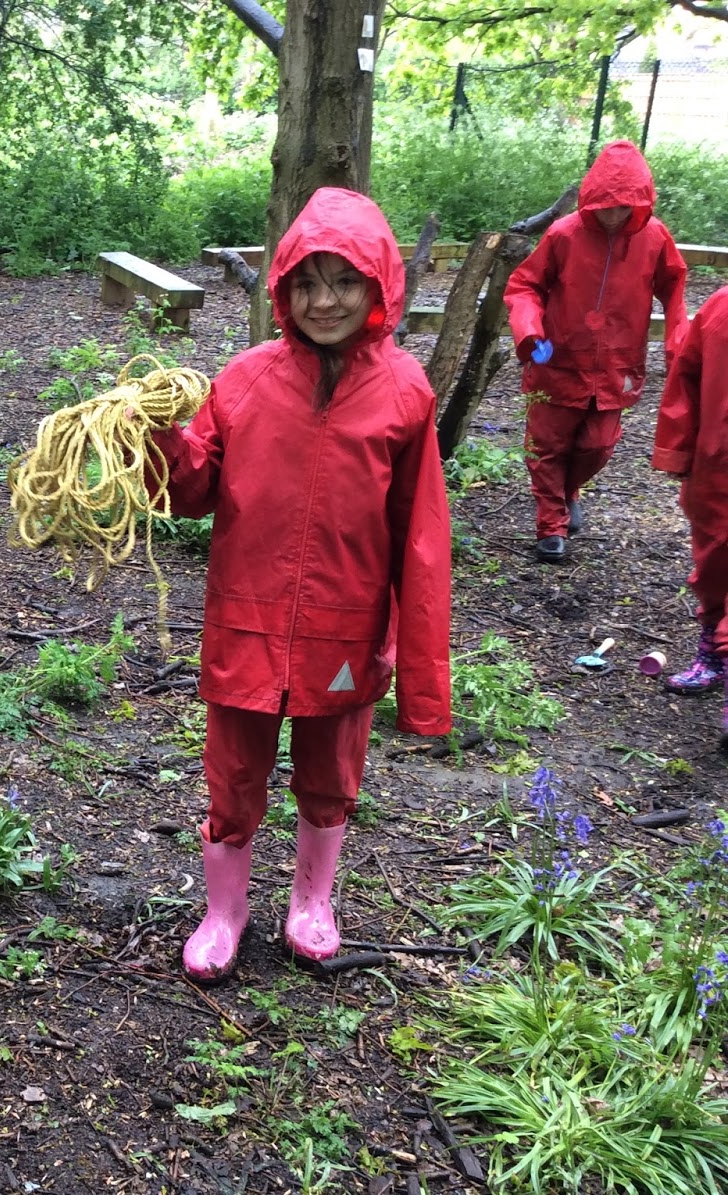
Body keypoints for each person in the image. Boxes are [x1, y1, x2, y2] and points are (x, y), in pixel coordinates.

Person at [146, 187, 453, 981]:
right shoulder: (245, 380)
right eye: (307, 282)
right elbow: (193, 491)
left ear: (378, 287)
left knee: (330, 771)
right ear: (282, 287)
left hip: (346, 628)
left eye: (344, 282)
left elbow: (421, 541)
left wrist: (419, 676)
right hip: (245, 622)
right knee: (235, 771)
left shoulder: (404, 394)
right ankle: (226, 909)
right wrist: (159, 438)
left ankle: (312, 901)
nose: (324, 301)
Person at [504, 140, 689, 564]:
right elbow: (525, 285)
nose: (614, 213)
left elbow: (675, 286)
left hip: (616, 363)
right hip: (556, 358)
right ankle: (551, 526)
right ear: (592, 199)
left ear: (640, 204)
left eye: (625, 205)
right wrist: (529, 333)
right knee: (547, 444)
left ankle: (568, 492)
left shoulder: (655, 238)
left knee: (599, 445)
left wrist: (678, 342)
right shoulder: (564, 233)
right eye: (607, 204)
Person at [652, 286, 728, 741]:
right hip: (717, 469)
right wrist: (676, 454)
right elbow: (686, 381)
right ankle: (714, 652)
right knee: (715, 565)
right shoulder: (720, 309)